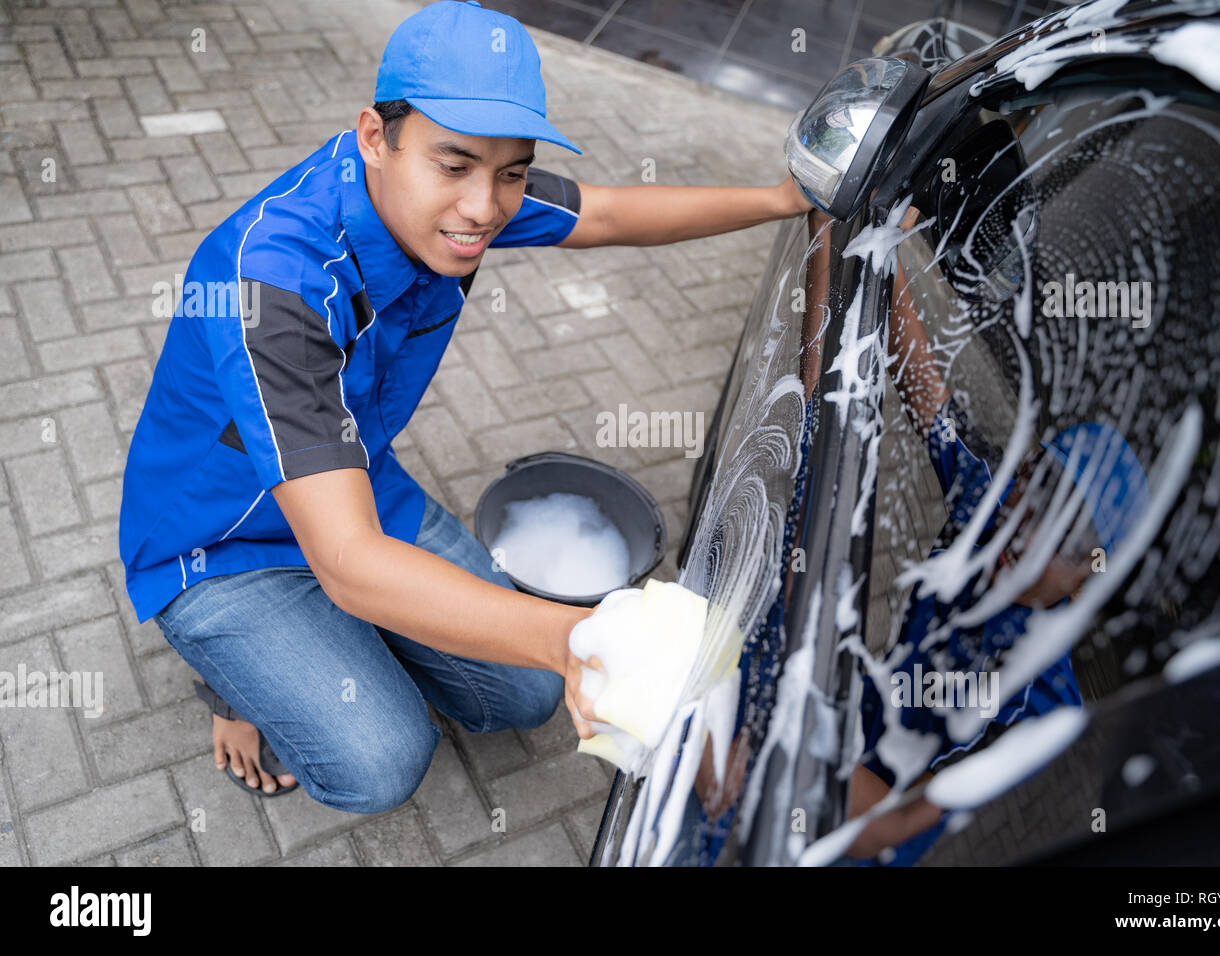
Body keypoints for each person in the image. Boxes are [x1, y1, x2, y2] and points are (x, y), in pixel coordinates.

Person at [117, 0, 813, 806]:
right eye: (455, 166)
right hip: (220, 545)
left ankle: (347, 639)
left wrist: (779, 200)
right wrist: (581, 638)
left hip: (353, 486)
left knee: (523, 696)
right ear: (376, 139)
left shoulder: (450, 206)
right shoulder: (274, 281)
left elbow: (610, 212)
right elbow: (346, 563)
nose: (484, 208)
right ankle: (235, 683)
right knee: (382, 761)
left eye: (510, 171)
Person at [843, 213, 1150, 864]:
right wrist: (889, 247)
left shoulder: (1038, 714)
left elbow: (885, 829)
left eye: (1064, 537)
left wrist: (774, 733)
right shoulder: (986, 509)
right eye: (1034, 490)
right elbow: (926, 390)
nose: (1025, 534)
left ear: (1090, 578)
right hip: (853, 737)